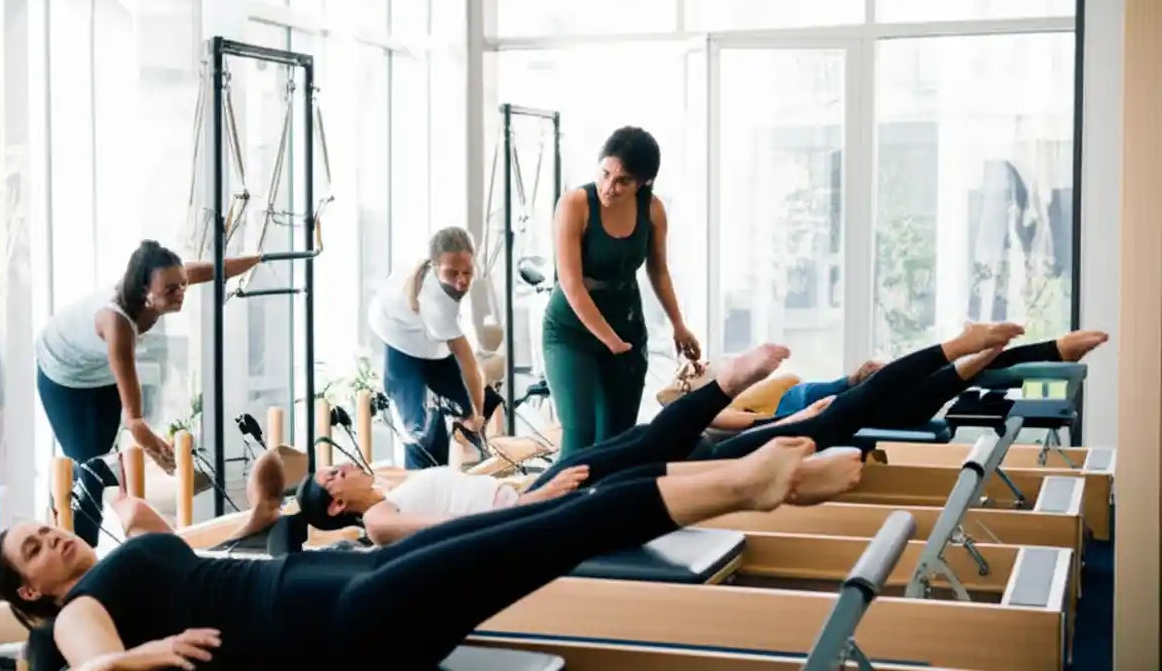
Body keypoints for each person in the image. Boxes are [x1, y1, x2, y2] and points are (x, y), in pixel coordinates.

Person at [0, 437, 819, 670]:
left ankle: (745, 480)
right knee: (547, 533)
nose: (51, 533)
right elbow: (89, 662)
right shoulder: (80, 616)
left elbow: (202, 522)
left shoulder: (129, 557)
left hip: (346, 590)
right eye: (33, 546)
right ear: (31, 594)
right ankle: (746, 484)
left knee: (533, 531)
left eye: (43, 524)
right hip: (341, 616)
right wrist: (135, 658)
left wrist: (266, 497)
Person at [299, 344, 864, 546]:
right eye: (331, 476)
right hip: (530, 511)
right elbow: (447, 532)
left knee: (647, 447)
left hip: (529, 497)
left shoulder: (394, 489)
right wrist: (529, 505)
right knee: (645, 458)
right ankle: (729, 391)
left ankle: (758, 422)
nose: (341, 468)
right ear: (334, 504)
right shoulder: (377, 524)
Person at [35, 240, 263, 546]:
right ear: (145, 291)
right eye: (172, 289)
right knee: (89, 462)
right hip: (63, 372)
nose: (181, 291)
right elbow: (135, 422)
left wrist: (260, 257)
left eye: (182, 284)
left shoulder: (162, 285)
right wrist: (169, 460)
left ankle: (69, 517)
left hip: (98, 367)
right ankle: (79, 547)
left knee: (96, 459)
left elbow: (214, 269)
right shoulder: (117, 323)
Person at [543, 126, 701, 457]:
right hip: (571, 330)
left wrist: (678, 324)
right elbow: (570, 284)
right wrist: (611, 341)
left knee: (616, 439)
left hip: (626, 326)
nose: (609, 187)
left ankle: (605, 507)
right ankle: (557, 505)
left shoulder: (653, 209)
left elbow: (658, 270)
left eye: (623, 181)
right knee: (580, 434)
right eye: (605, 174)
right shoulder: (574, 204)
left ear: (643, 182)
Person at [706, 329, 1109, 433]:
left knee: (924, 385)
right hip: (818, 419)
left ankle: (1049, 350)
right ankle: (1050, 349)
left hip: (846, 397)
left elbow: (830, 385)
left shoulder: (774, 384)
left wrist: (855, 376)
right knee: (921, 394)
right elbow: (690, 409)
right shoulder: (725, 415)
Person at [368, 226, 490, 469]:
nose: (462, 281)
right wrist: (479, 416)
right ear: (435, 267)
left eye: (467, 272)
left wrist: (472, 416)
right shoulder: (436, 299)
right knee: (420, 434)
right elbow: (469, 365)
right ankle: (426, 484)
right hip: (399, 340)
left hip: (422, 335)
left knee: (462, 409)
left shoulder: (436, 280)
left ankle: (464, 466)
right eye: (453, 273)